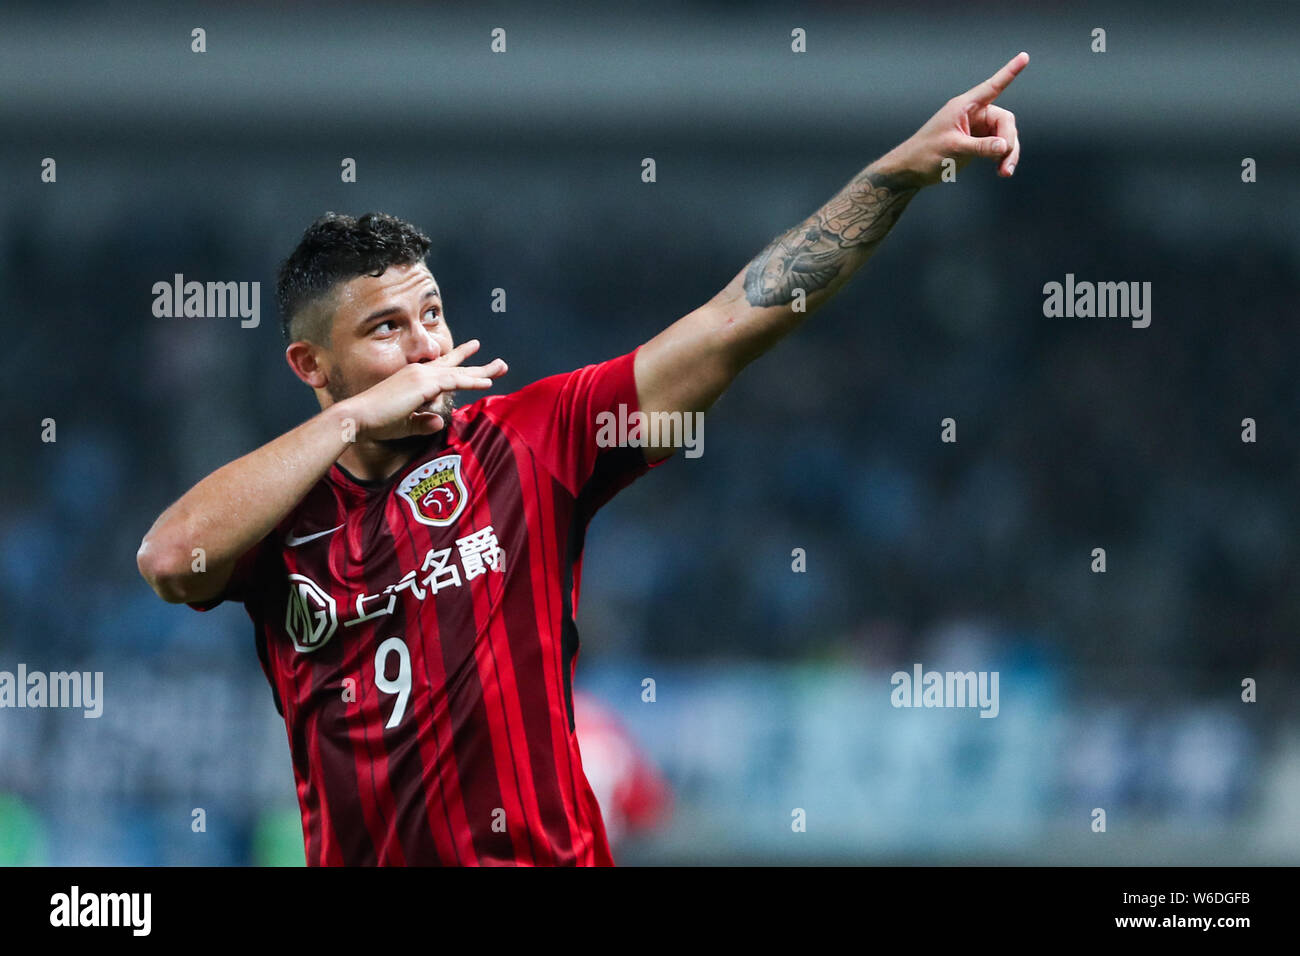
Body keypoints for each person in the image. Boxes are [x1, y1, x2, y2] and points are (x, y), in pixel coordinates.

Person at [136, 53, 1027, 865]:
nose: (424, 347)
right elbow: (170, 560)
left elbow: (729, 326)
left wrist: (895, 174)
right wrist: (351, 422)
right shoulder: (279, 514)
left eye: (433, 315)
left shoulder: (527, 441)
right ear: (312, 366)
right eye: (385, 330)